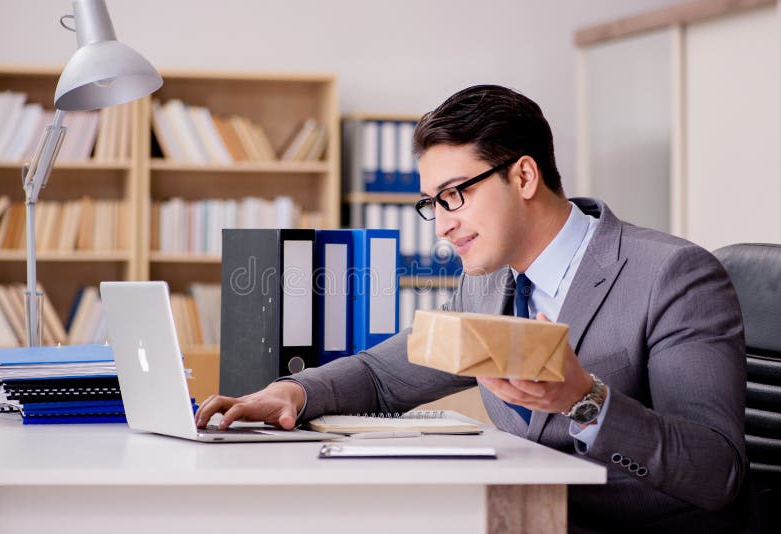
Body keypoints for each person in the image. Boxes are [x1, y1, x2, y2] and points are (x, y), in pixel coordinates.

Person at [196, 85, 749, 533]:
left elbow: (716, 472)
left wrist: (587, 401)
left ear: (525, 176)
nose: (442, 224)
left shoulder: (671, 275)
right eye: (432, 203)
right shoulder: (488, 282)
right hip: (521, 518)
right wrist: (292, 393)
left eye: (455, 194)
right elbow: (385, 375)